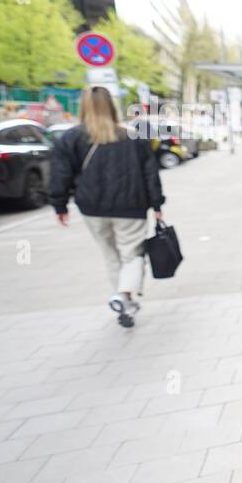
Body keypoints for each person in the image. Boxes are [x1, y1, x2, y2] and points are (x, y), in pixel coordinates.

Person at [49, 87, 165, 328]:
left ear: (83, 106)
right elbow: (150, 173)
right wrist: (156, 203)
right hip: (131, 205)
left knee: (110, 254)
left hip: (92, 207)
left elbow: (60, 175)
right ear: (111, 106)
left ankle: (125, 302)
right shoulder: (133, 136)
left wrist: (59, 205)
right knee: (132, 254)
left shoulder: (71, 139)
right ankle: (124, 296)